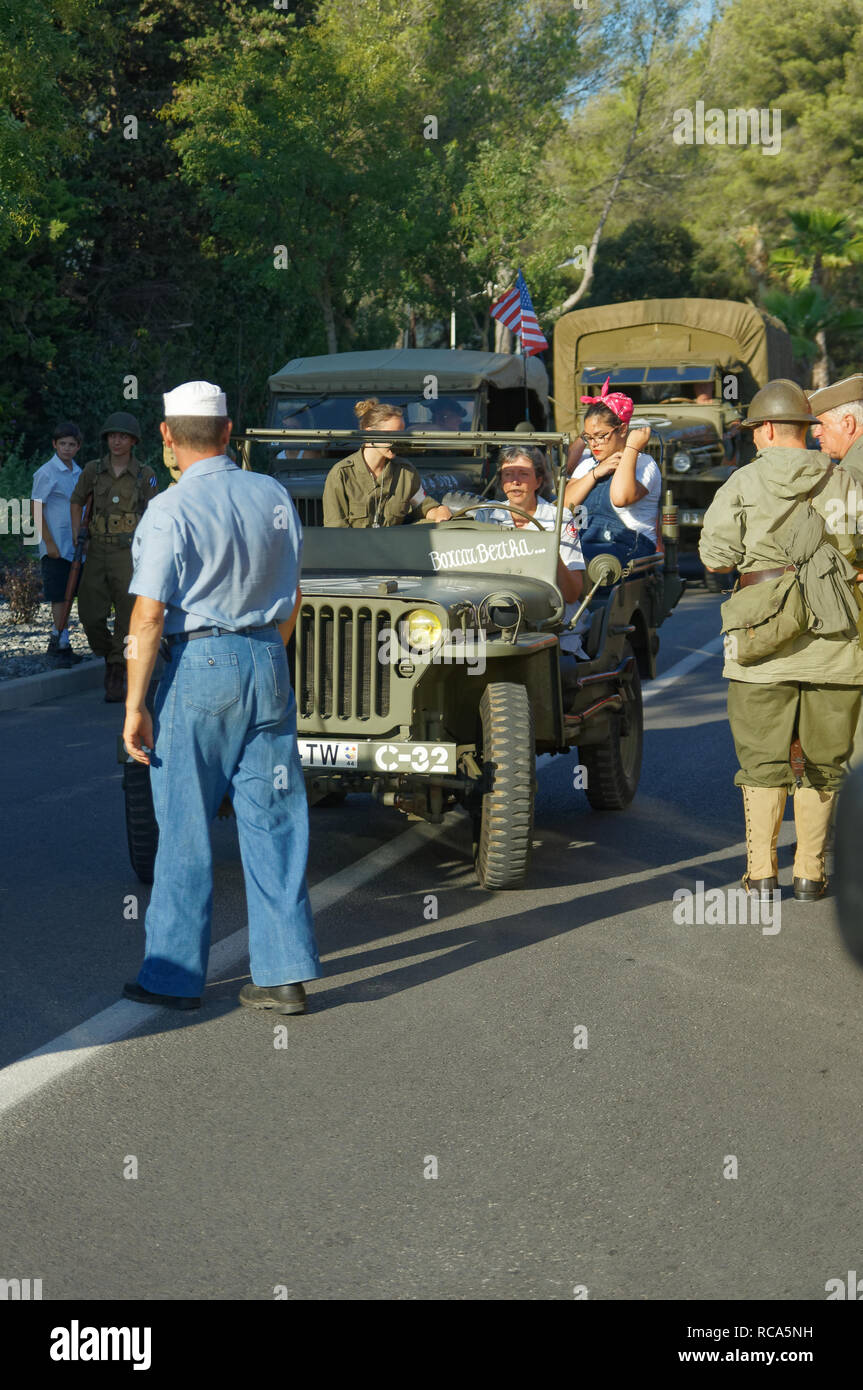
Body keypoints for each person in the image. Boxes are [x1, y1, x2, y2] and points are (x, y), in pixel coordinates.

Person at [122, 380, 320, 1014]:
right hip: (268, 657)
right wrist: (265, 653)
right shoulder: (272, 494)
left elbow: (149, 616)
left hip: (199, 663)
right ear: (230, 432)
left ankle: (174, 976)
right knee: (276, 821)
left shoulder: (169, 508)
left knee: (185, 825)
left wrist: (135, 704)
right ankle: (283, 974)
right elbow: (291, 597)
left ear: (166, 437)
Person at [699, 379, 863, 901]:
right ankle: (811, 874)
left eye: (753, 430)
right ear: (805, 429)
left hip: (758, 645)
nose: (752, 439)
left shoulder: (740, 485)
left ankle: (762, 873)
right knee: (824, 761)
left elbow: (715, 559)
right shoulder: (847, 483)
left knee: (762, 762)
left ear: (766, 428)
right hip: (837, 642)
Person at [70, 412, 159, 702]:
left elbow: (154, 512)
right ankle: (110, 655)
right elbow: (76, 500)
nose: (116, 441)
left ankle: (118, 669)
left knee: (126, 613)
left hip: (129, 552)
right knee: (90, 614)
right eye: (112, 436)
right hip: (96, 549)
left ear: (133, 441)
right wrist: (77, 537)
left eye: (122, 436)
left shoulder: (145, 475)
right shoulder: (93, 470)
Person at [476, 445, 587, 662]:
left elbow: (573, 593)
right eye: (508, 475)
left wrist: (547, 550)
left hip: (549, 622)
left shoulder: (559, 519)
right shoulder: (486, 514)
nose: (515, 482)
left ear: (538, 481)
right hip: (497, 620)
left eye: (523, 474)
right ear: (501, 482)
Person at [563, 379, 661, 561]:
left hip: (630, 548)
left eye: (601, 436)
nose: (594, 444)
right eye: (588, 437)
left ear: (623, 429)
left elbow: (620, 498)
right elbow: (566, 503)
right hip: (587, 544)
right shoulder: (587, 465)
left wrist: (631, 448)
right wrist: (596, 473)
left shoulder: (645, 464)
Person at [323, 398, 452, 527]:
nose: (398, 442)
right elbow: (336, 529)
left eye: (401, 435)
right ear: (370, 434)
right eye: (392, 435)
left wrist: (438, 511)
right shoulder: (342, 474)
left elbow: (421, 505)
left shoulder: (405, 472)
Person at [31, 421, 85, 667]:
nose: (66, 448)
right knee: (58, 597)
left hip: (74, 545)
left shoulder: (78, 472)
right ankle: (59, 645)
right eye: (62, 443)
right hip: (55, 546)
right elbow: (35, 507)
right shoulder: (46, 473)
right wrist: (48, 542)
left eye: (71, 444)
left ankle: (60, 640)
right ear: (54, 445)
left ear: (78, 447)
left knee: (69, 595)